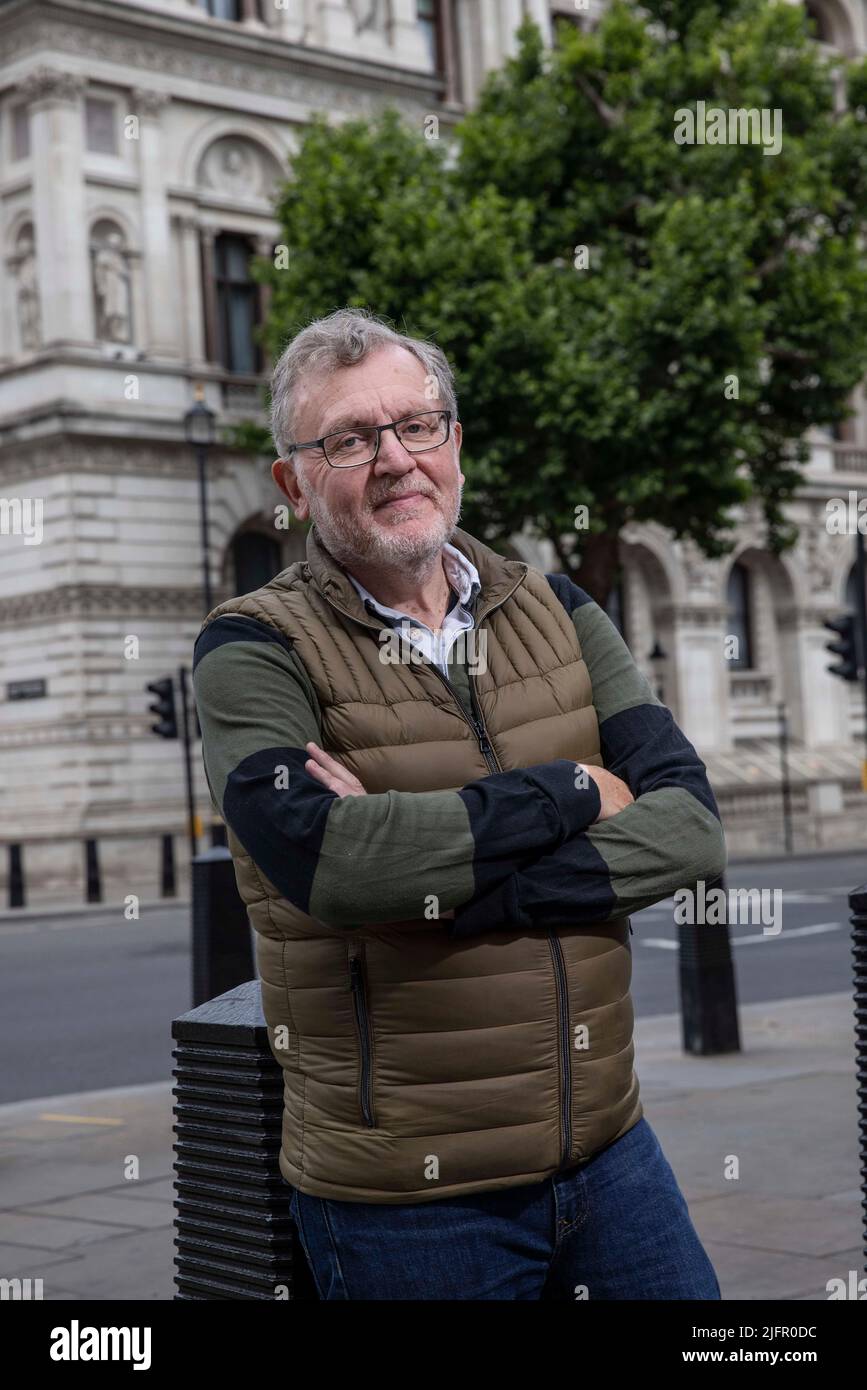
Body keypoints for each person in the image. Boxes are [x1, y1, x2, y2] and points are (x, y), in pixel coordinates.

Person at [192, 307, 727, 1300]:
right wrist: (577, 788)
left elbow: (691, 826)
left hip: (613, 1154)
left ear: (456, 444)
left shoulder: (560, 609)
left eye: (418, 424)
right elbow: (335, 865)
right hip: (408, 1203)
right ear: (294, 485)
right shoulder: (252, 648)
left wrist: (459, 886)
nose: (395, 457)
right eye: (349, 439)